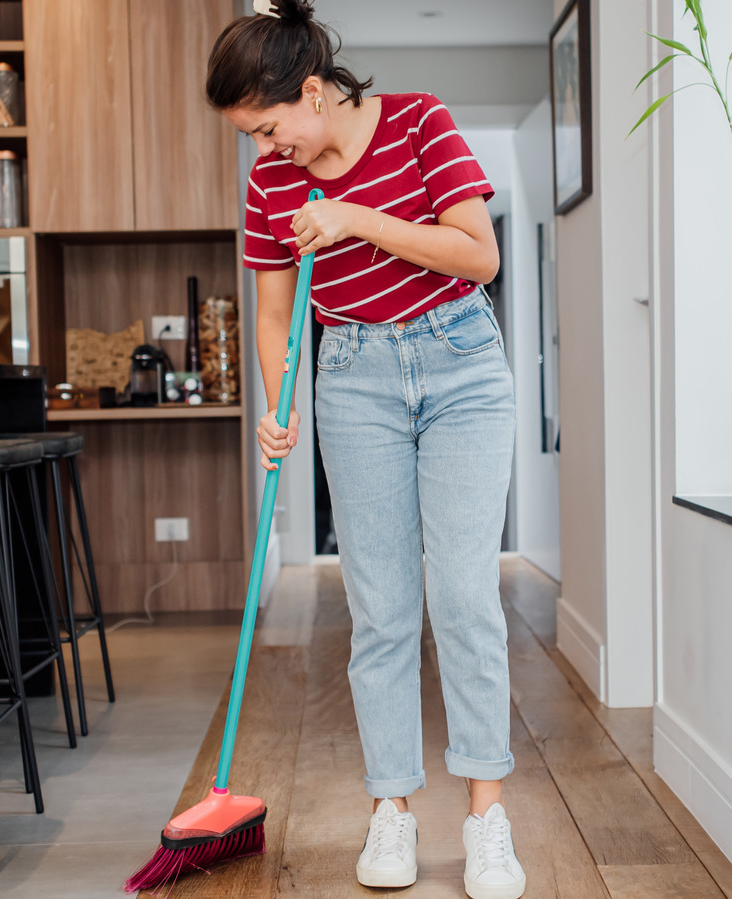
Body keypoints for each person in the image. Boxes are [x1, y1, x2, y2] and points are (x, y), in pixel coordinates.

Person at [205, 2, 524, 897]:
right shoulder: (271, 186)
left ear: (312, 91)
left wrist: (354, 218)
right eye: (252, 137)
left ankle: (485, 816)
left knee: (463, 594)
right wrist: (277, 404)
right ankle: (391, 811)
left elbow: (480, 256)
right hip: (351, 372)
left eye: (270, 128)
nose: (267, 150)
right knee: (380, 608)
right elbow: (275, 314)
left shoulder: (421, 121)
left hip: (460, 362)